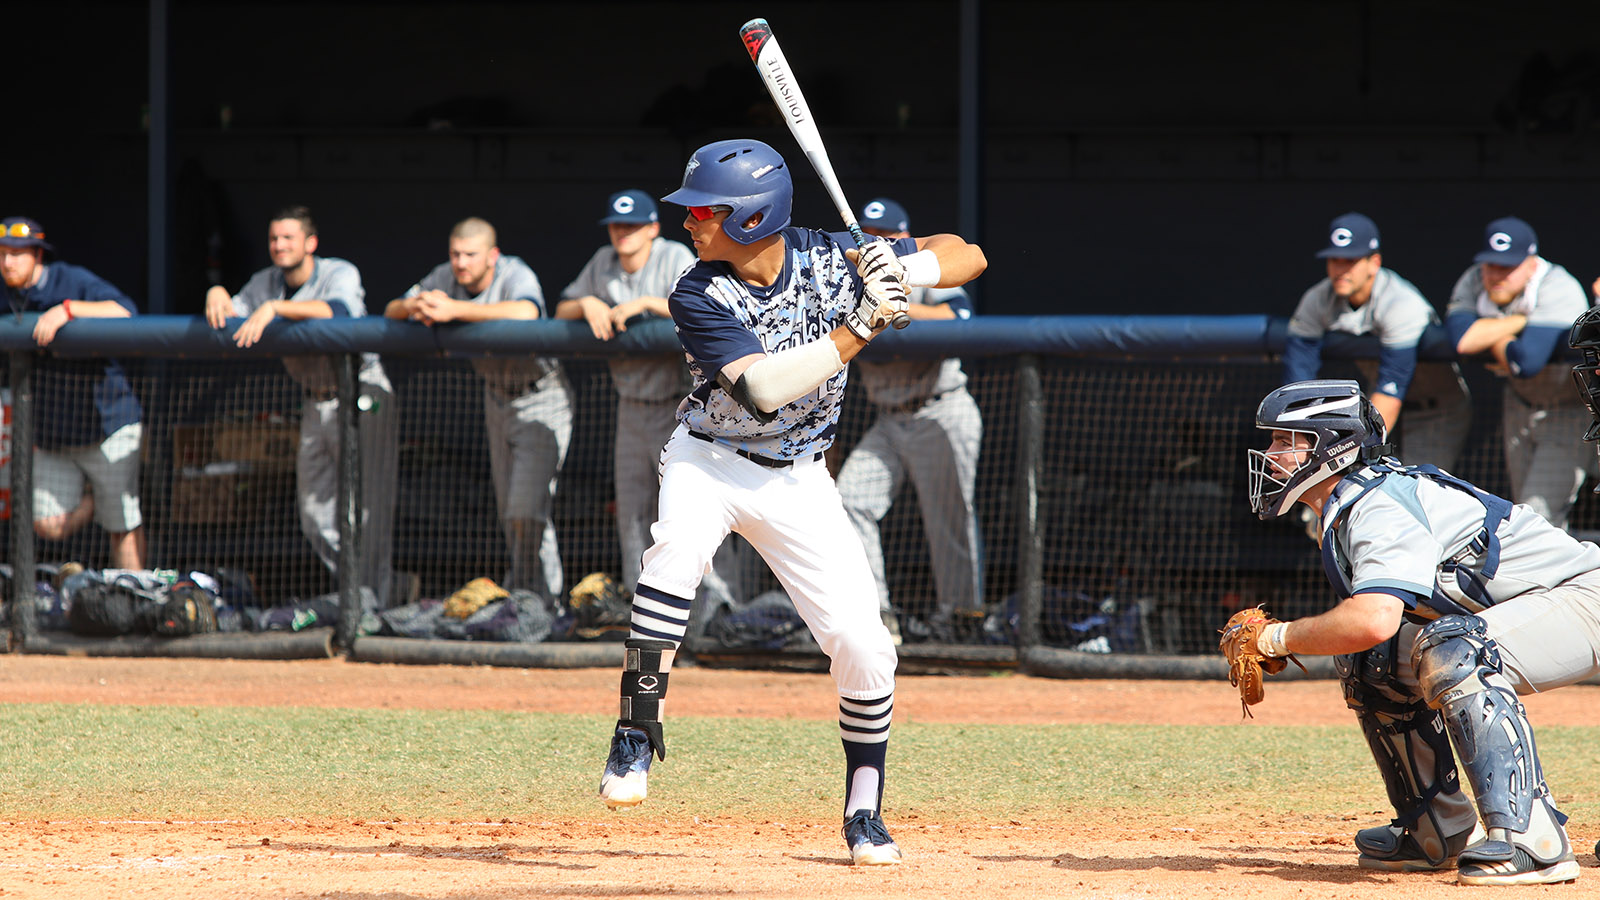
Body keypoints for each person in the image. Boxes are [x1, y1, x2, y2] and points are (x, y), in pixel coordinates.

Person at [595, 139, 986, 866]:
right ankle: (635, 730)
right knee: (675, 551)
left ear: (751, 218)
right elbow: (767, 389)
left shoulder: (832, 254)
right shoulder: (697, 291)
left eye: (704, 211)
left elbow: (970, 255)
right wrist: (865, 322)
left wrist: (902, 267)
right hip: (708, 459)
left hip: (799, 478)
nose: (688, 222)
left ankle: (863, 809)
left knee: (867, 647)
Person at [1245, 378, 1594, 886]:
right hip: (1544, 606)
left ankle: (1532, 842)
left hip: (1587, 597)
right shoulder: (1348, 505)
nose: (1271, 454)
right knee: (1374, 659)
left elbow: (1372, 616)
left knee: (1453, 648)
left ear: (1329, 446)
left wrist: (1277, 638)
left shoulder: (1380, 505)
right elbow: (1373, 632)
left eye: (1284, 441)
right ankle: (1436, 831)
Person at [554, 191, 741, 633]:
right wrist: (587, 304)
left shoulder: (675, 255)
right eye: (617, 226)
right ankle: (645, 608)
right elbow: (561, 307)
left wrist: (648, 304)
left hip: (682, 408)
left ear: (653, 228)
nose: (623, 233)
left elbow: (711, 303)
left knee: (699, 512)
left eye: (633, 226)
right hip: (630, 408)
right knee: (634, 511)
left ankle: (722, 609)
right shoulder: (603, 262)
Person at [205, 206, 396, 609]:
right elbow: (233, 310)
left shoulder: (338, 272)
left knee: (368, 509)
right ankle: (360, 593)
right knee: (313, 513)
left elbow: (339, 312)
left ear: (310, 243)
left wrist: (277, 309)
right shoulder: (266, 282)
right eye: (274, 238)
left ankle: (372, 601)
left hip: (363, 393)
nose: (279, 246)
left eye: (289, 238)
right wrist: (217, 292)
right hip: (315, 400)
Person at [386, 218, 569, 599]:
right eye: (455, 254)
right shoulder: (445, 275)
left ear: (492, 256)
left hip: (540, 395)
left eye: (470, 255)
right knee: (515, 514)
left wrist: (454, 310)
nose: (461, 263)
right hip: (497, 397)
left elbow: (528, 313)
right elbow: (391, 311)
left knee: (525, 509)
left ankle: (539, 600)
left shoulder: (513, 272)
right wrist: (414, 303)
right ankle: (533, 599)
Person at [834, 197, 983, 642]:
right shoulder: (846, 277)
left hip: (941, 407)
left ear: (905, 238)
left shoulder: (923, 268)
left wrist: (894, 310)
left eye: (889, 236)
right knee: (849, 500)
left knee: (949, 518)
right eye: (871, 235)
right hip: (889, 419)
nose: (879, 243)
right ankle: (877, 614)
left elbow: (962, 316)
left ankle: (963, 621)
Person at [1, 216, 145, 567]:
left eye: (18, 254)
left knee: (121, 526)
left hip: (107, 425)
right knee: (47, 525)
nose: (8, 262)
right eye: (3, 253)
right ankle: (95, 500)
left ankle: (138, 596)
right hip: (54, 433)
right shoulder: (4, 294)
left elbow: (126, 312)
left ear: (37, 254)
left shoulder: (70, 280)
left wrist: (68, 310)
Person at [1282, 212, 1471, 470]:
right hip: (1373, 405)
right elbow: (1299, 375)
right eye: (1334, 260)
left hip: (1434, 409)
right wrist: (1306, 435)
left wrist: (1348, 452)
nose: (1340, 269)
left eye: (1350, 260)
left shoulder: (1399, 302)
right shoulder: (1318, 298)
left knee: (1417, 492)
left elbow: (1391, 388)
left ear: (1374, 263)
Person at [1445, 216, 1595, 530]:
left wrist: (1493, 336)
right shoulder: (1475, 278)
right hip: (1518, 405)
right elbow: (1461, 340)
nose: (1496, 275)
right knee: (1528, 515)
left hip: (1566, 409)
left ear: (1530, 264)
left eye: (1508, 267)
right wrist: (1517, 324)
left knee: (1536, 518)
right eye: (1491, 265)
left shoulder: (1557, 285)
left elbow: (1526, 362)